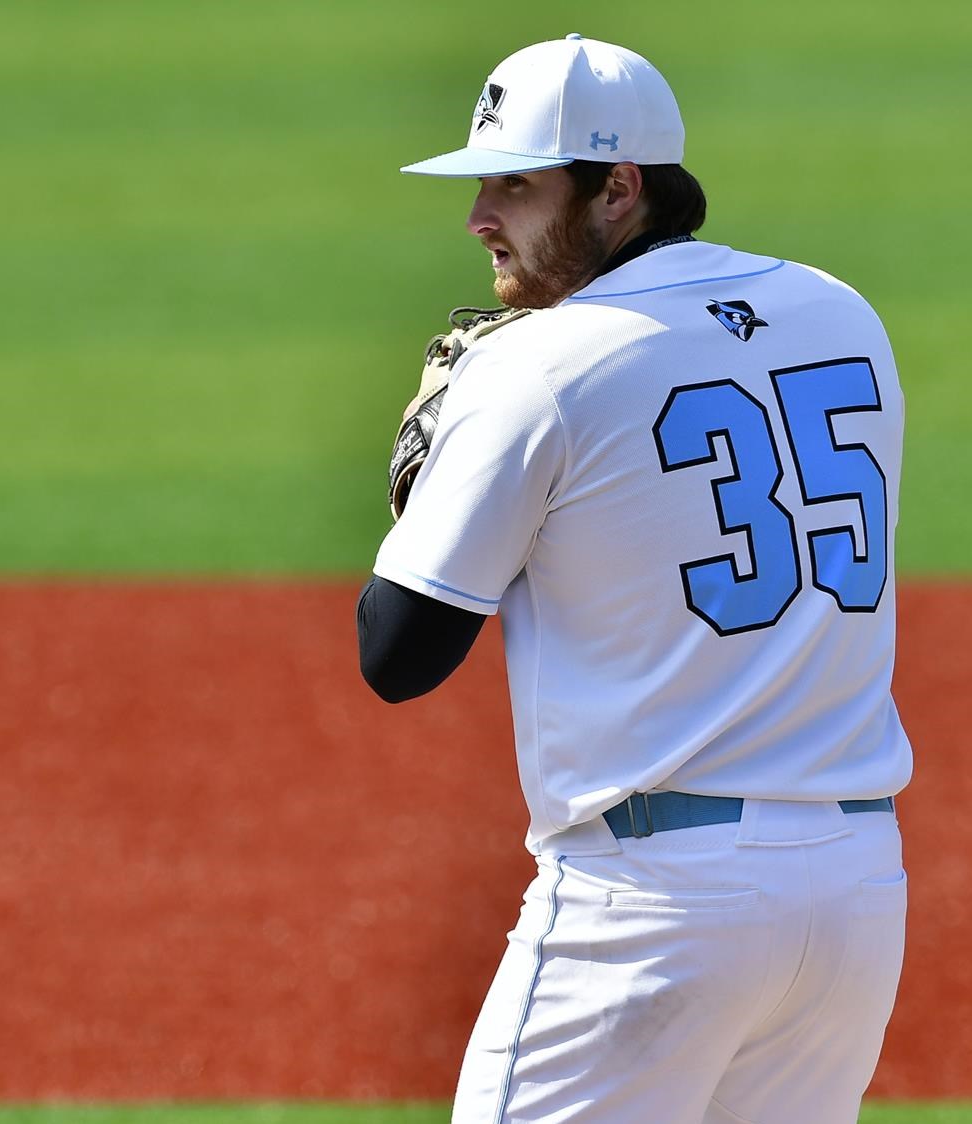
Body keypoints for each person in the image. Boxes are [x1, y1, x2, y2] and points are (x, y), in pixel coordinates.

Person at [356, 35, 914, 1124]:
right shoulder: (842, 312)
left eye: (516, 185)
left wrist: (431, 476)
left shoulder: (536, 366)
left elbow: (397, 655)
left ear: (618, 187)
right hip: (854, 890)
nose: (478, 217)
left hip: (651, 909)